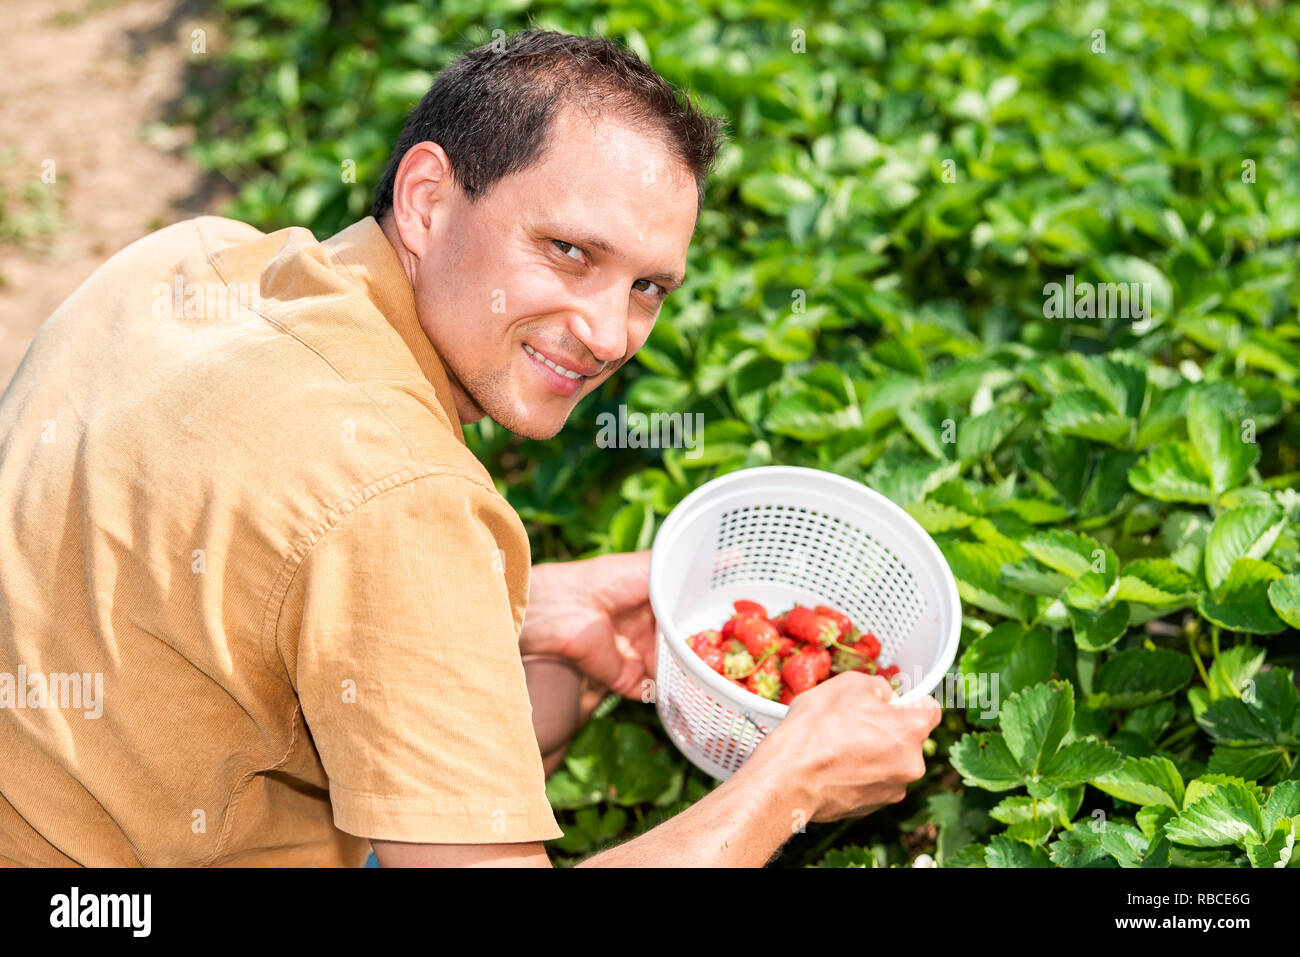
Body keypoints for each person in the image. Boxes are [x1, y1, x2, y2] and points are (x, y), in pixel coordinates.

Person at [0, 29, 940, 868]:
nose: (612, 334)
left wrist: (510, 605)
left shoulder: (187, 258)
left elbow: (217, 557)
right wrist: (787, 785)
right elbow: (364, 512)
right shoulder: (394, 491)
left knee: (547, 693)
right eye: (569, 250)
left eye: (649, 285)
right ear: (426, 200)